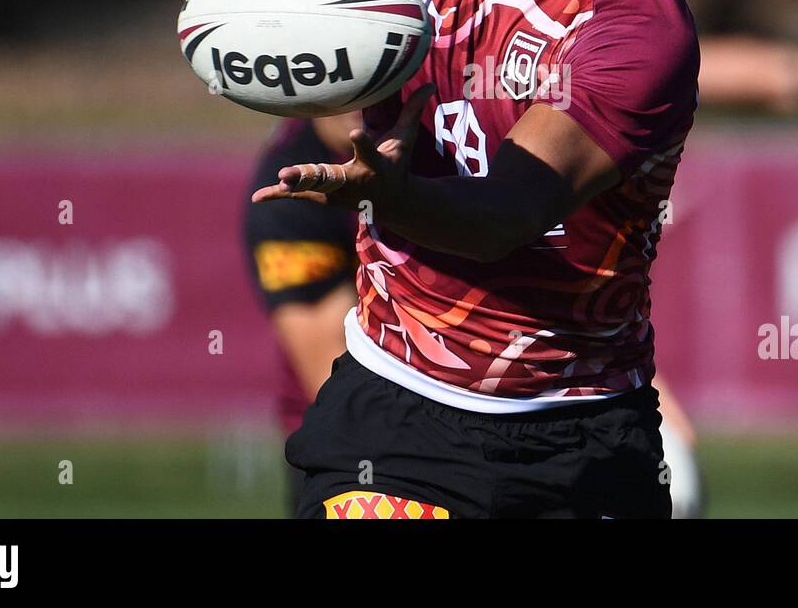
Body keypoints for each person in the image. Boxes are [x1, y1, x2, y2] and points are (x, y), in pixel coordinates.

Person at [251, 0, 700, 518]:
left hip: (582, 441)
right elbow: (299, 26)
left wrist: (391, 192)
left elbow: (505, 214)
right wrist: (302, 10)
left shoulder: (638, 27)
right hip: (394, 424)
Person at [244, 116, 706, 518]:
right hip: (379, 447)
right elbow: (324, 358)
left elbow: (540, 290)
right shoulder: (290, 181)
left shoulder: (453, 131)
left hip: (539, 428)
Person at [241, 114, 358, 515]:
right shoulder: (288, 183)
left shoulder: (444, 133)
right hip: (356, 461)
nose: (355, 101)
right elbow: (338, 384)